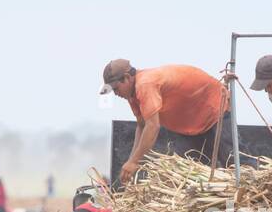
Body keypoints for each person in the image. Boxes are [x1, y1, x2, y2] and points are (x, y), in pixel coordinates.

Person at [100, 59, 237, 180]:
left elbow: (153, 126)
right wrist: (131, 161)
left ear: (127, 78)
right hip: (191, 122)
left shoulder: (145, 84)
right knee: (190, 173)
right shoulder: (132, 95)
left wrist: (134, 162)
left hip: (213, 107)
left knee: (235, 163)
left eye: (116, 89)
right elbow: (141, 126)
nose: (116, 94)